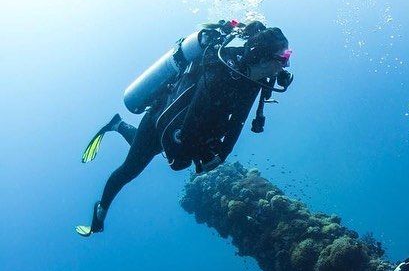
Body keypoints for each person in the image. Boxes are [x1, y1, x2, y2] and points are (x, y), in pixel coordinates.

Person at [76, 20, 293, 237]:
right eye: (283, 59)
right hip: (160, 119)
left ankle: (118, 124)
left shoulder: (254, 78)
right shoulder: (218, 73)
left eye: (288, 57)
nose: (285, 66)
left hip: (187, 127)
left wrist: (222, 155)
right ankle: (100, 210)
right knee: (130, 169)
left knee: (152, 149)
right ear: (263, 57)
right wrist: (206, 156)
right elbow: (188, 132)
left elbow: (239, 120)